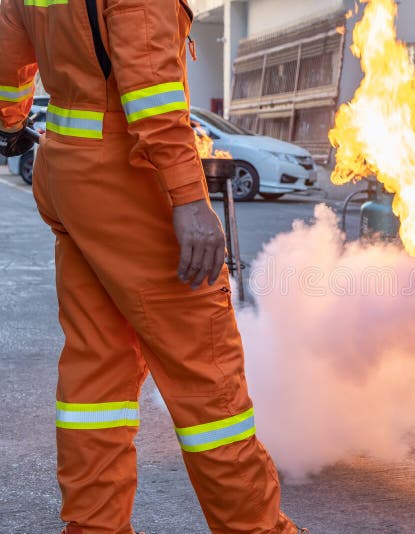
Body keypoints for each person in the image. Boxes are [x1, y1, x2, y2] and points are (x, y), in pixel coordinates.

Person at [0, 1, 301, 532]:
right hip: (129, 180)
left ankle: (94, 527)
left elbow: (8, 57)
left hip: (67, 169)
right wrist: (188, 198)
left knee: (98, 370)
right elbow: (153, 91)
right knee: (205, 372)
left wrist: (9, 125)